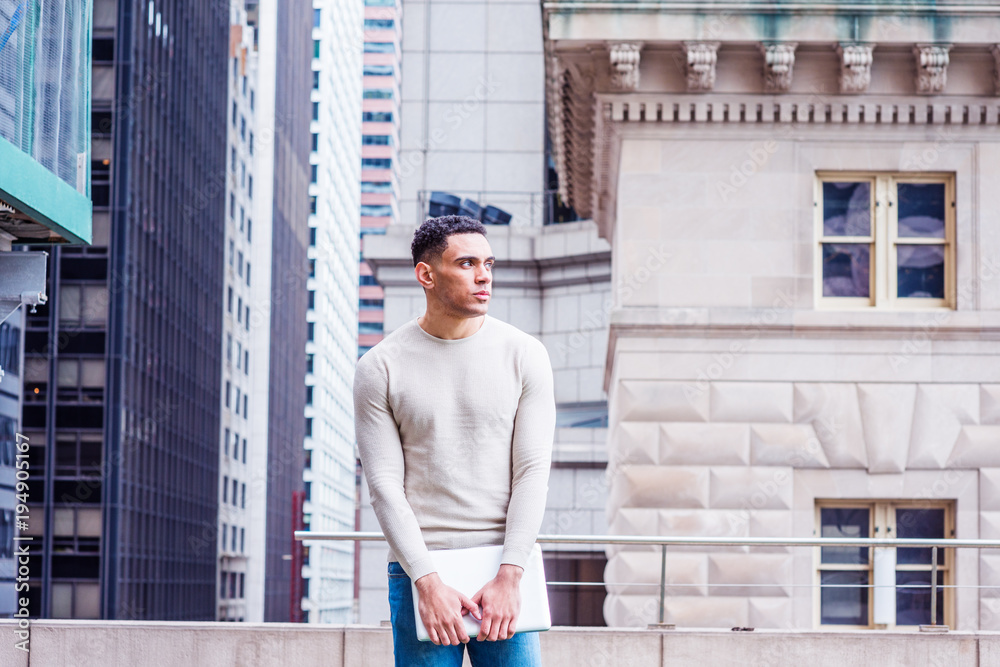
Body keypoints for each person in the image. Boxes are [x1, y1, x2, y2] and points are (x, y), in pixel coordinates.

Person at [354, 215, 555, 666]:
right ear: (426, 274)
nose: (483, 275)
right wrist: (426, 581)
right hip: (420, 569)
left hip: (504, 567)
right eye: (466, 263)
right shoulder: (379, 367)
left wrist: (511, 573)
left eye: (488, 263)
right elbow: (384, 486)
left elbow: (532, 473)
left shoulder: (525, 355)